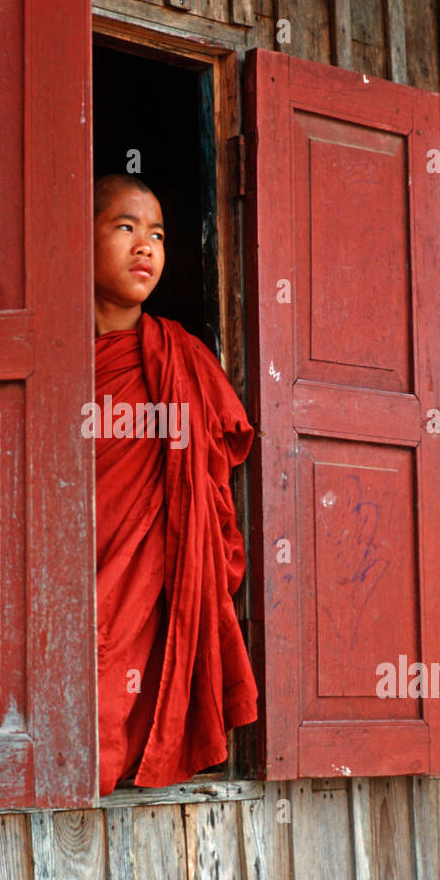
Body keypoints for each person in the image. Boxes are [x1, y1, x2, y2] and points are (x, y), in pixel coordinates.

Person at [89, 172, 258, 795]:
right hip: (78, 552)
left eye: (157, 233)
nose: (146, 247)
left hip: (154, 560)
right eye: (125, 227)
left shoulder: (179, 354)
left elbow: (218, 458)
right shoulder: (50, 354)